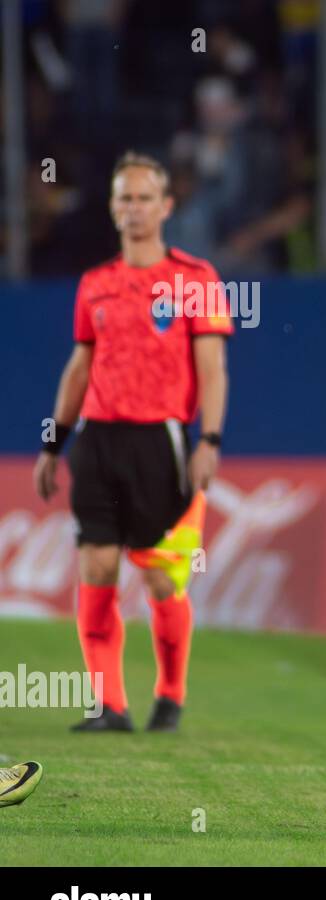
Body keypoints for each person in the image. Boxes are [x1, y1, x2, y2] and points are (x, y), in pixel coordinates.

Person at [33, 151, 232, 733]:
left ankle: (169, 695)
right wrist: (54, 442)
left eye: (145, 197)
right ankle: (109, 705)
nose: (134, 208)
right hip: (96, 439)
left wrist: (209, 440)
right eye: (125, 197)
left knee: (160, 576)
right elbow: (79, 366)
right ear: (112, 207)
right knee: (95, 565)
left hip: (160, 439)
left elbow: (214, 369)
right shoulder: (95, 284)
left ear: (166, 206)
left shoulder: (196, 280)